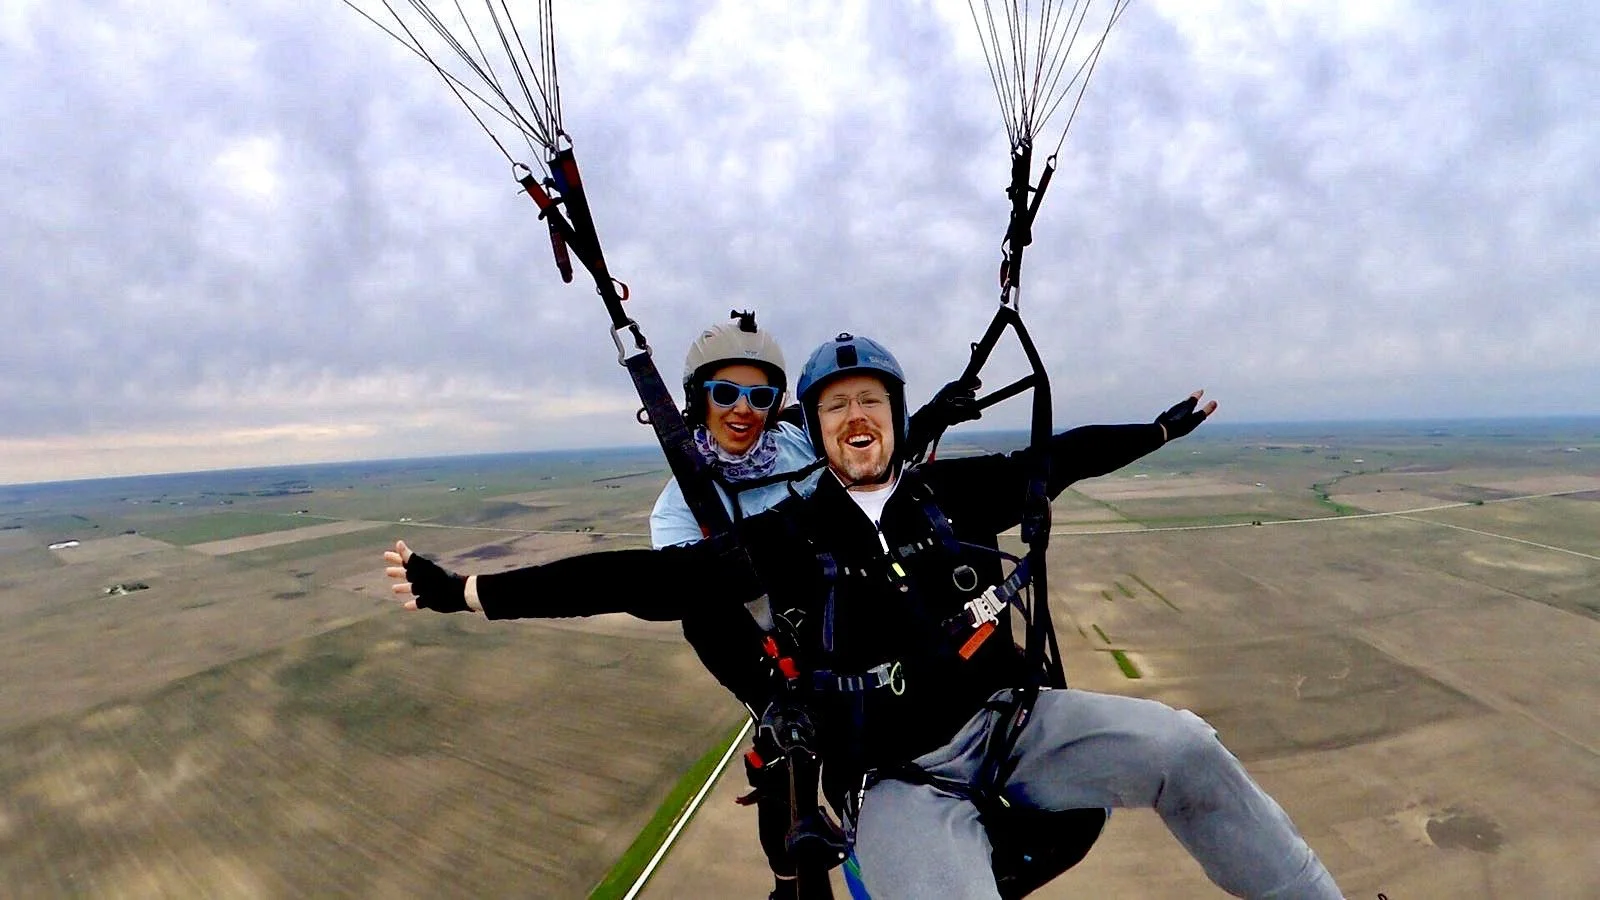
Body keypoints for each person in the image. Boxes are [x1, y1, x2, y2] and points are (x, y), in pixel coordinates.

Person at [385, 333, 1342, 899]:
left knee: (1184, 746)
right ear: (821, 427)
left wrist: (1157, 431)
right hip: (896, 780)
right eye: (836, 405)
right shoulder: (787, 539)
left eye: (871, 402)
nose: (857, 417)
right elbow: (637, 580)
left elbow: (1059, 460)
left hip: (1015, 726)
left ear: (894, 418)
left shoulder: (947, 497)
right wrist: (470, 592)